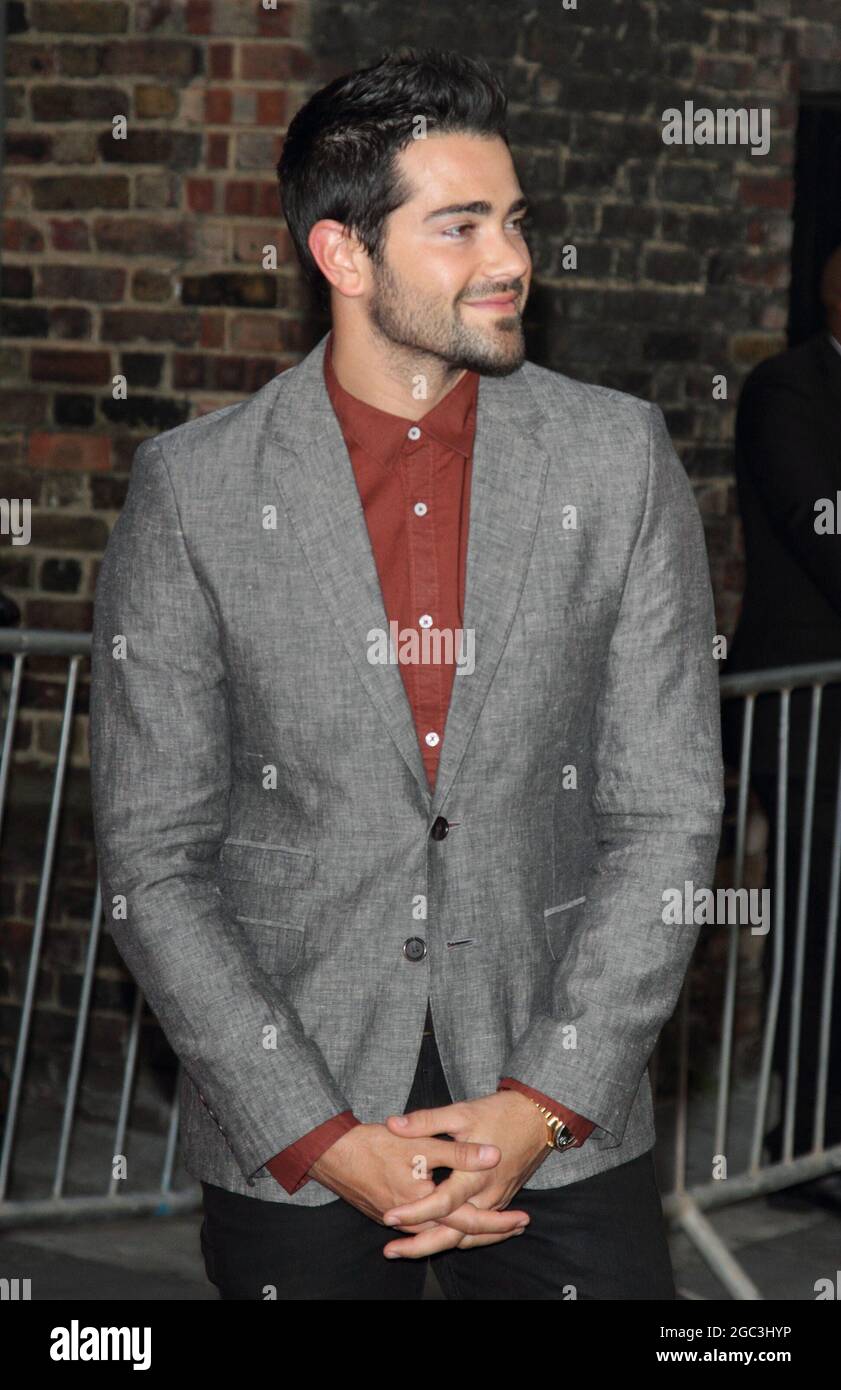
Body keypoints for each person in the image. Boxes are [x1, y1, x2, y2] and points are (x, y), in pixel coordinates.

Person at [89, 48, 724, 1300]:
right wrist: (324, 1138)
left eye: (515, 220)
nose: (510, 261)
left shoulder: (613, 458)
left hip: (562, 1103)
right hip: (298, 1115)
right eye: (459, 226)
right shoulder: (198, 490)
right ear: (341, 255)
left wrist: (541, 1105)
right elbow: (153, 857)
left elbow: (668, 816)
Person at [721, 246, 841, 1210]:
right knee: (819, 927)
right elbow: (823, 530)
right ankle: (806, 1138)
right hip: (809, 715)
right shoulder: (786, 391)